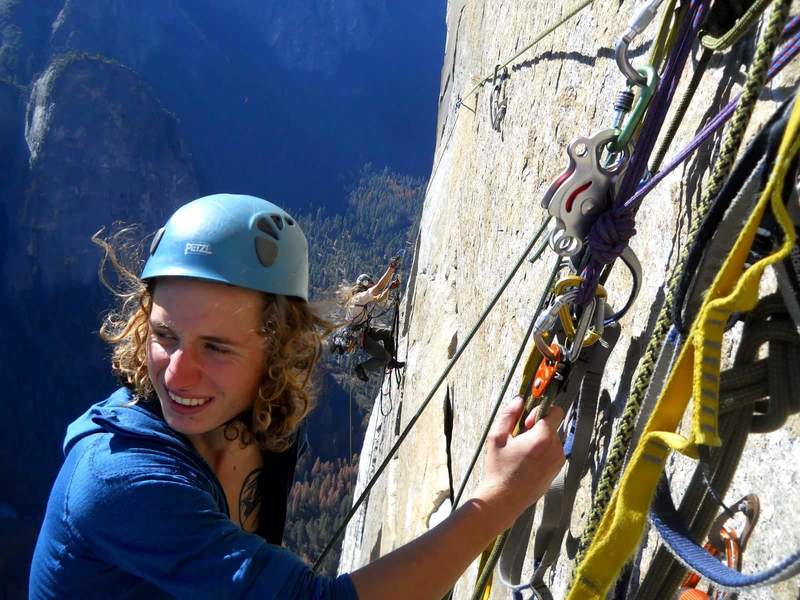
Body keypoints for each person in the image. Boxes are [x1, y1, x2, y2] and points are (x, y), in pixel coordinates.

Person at [29, 193, 566, 600]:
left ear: (276, 348)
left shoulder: (262, 419)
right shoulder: (118, 480)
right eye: (165, 336)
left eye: (215, 347)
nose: (177, 374)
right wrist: (501, 499)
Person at [341, 259, 404, 382]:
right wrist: (391, 268)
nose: (372, 283)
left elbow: (379, 298)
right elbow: (379, 287)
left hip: (364, 331)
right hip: (359, 336)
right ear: (364, 283)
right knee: (383, 357)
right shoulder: (359, 298)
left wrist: (390, 288)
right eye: (370, 282)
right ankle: (362, 368)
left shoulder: (363, 298)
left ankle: (391, 362)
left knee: (387, 334)